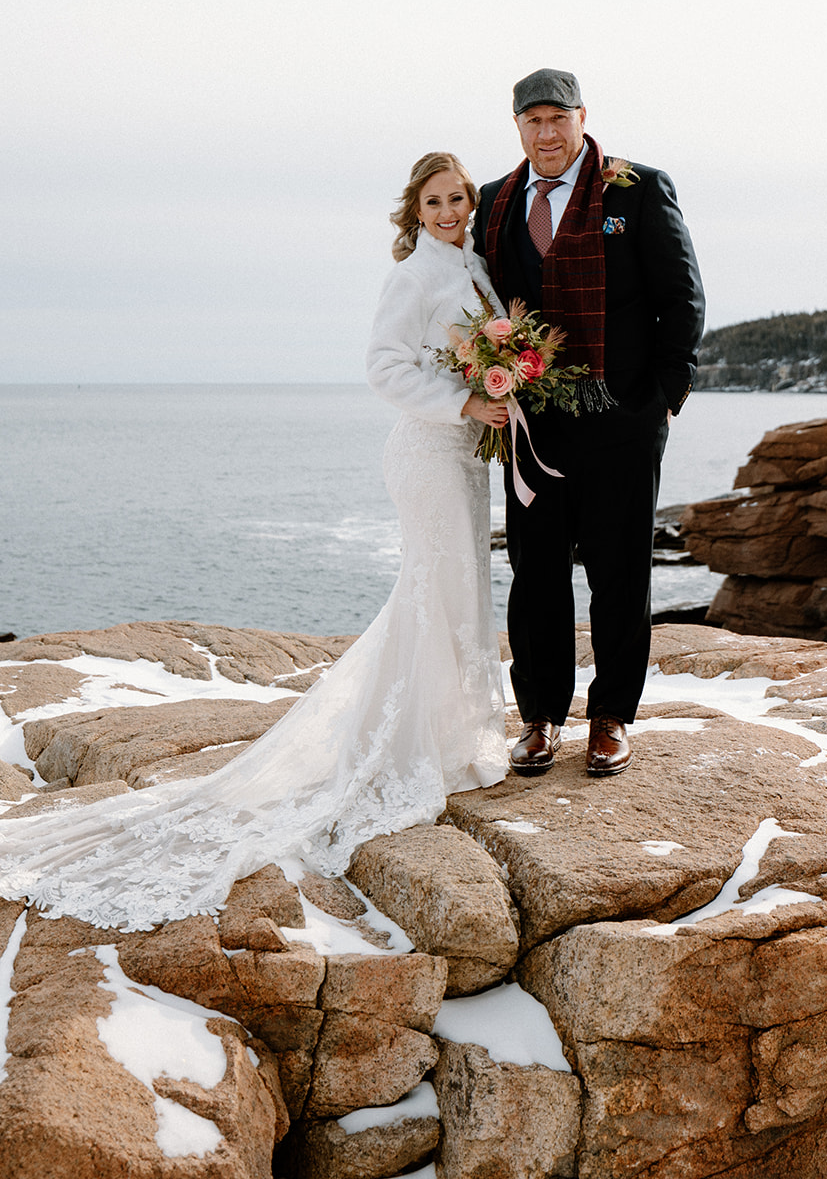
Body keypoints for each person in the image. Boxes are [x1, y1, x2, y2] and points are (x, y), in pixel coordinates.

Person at [0, 153, 509, 929]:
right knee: (431, 591)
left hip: (465, 458)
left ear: (470, 204)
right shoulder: (412, 277)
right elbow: (382, 367)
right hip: (428, 452)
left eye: (458, 199)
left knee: (460, 589)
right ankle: (408, 749)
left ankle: (450, 732)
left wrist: (496, 389)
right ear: (413, 210)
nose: (447, 212)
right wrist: (464, 403)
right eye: (434, 202)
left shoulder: (472, 265)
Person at [474, 69, 705, 779]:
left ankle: (609, 717)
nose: (545, 134)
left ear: (581, 118)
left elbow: (681, 296)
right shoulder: (493, 201)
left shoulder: (637, 187)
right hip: (534, 424)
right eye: (531, 121)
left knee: (618, 572)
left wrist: (662, 396)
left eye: (557, 119)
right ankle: (539, 717)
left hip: (622, 418)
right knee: (534, 571)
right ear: (517, 126)